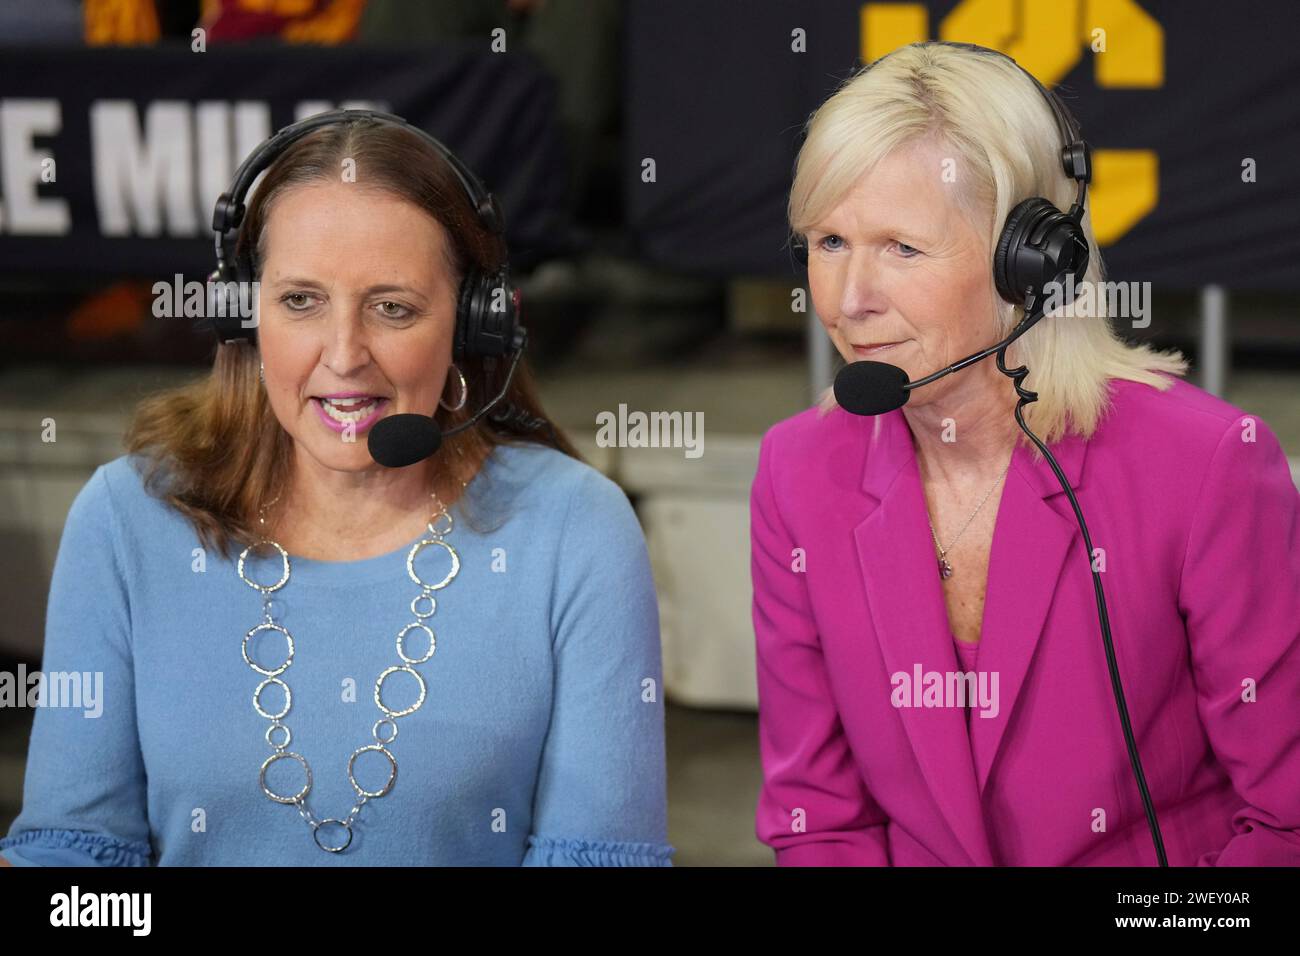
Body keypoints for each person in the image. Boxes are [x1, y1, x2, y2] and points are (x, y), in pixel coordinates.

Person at [0, 115, 673, 866]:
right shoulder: (127, 519)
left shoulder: (575, 530)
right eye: (300, 301)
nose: (345, 355)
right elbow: (70, 864)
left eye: (393, 308)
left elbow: (602, 857)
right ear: (243, 315)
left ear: (475, 323)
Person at [751, 41, 1300, 866]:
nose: (849, 299)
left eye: (902, 247)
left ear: (1031, 264)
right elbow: (818, 820)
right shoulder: (798, 472)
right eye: (829, 243)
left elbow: (1287, 821)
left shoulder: (1206, 466)